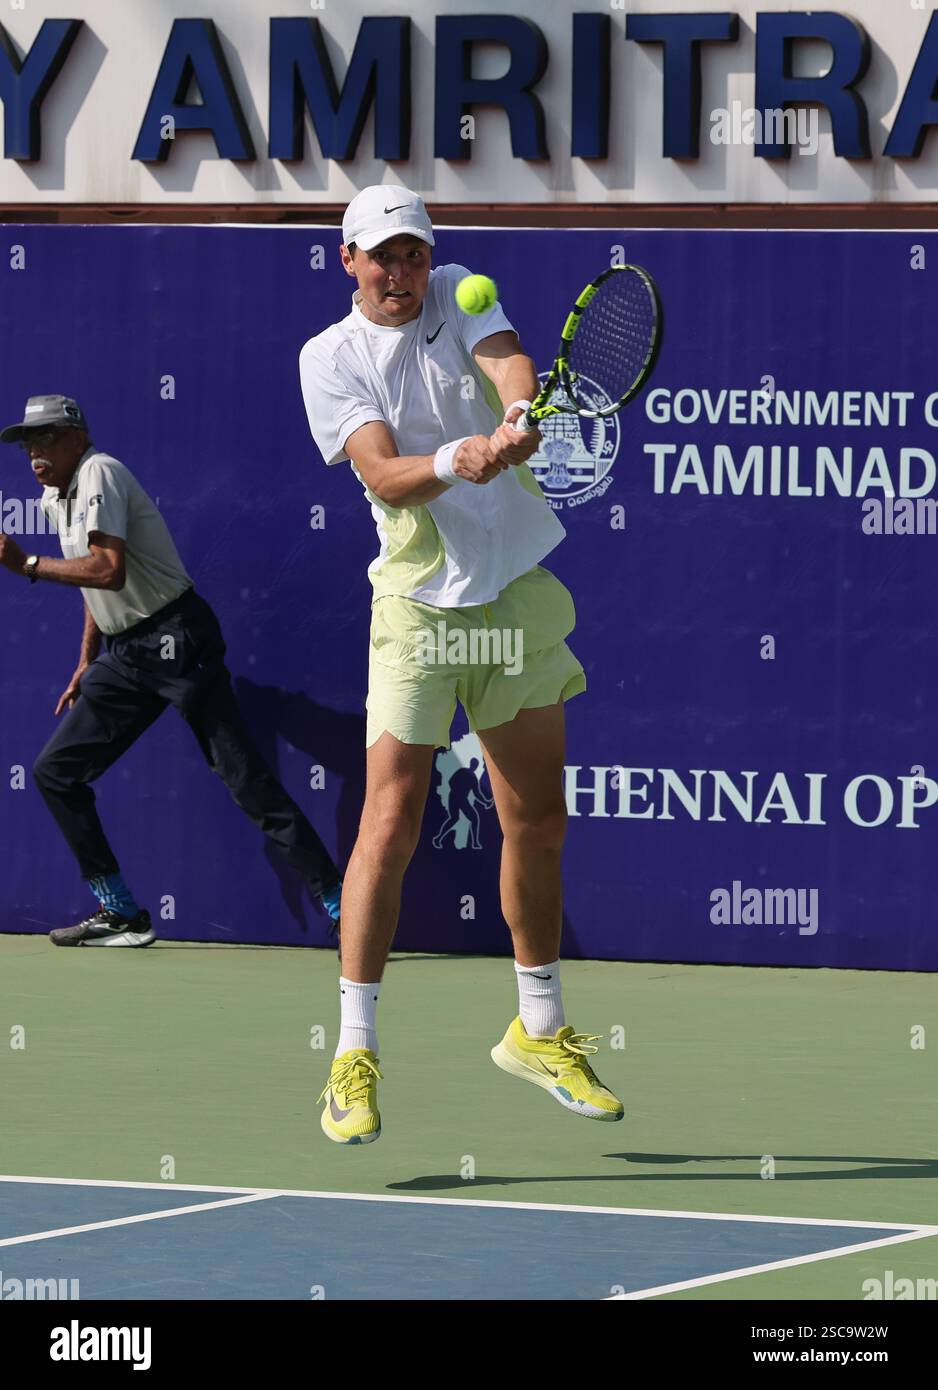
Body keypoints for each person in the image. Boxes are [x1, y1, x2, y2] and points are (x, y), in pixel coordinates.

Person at [299, 186, 623, 1144]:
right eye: (379, 256)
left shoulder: (461, 292)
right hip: (418, 612)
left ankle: (539, 1028)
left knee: (537, 818)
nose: (398, 273)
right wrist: (458, 460)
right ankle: (352, 1052)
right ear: (346, 259)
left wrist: (518, 412)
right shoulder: (329, 357)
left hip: (513, 599)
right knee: (391, 822)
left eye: (410, 255)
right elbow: (383, 474)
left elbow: (505, 356)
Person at [0, 395, 342, 946]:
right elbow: (95, 584)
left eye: (46, 438)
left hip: (178, 639)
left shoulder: (101, 472)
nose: (35, 452)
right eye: (27, 443)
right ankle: (123, 915)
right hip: (127, 653)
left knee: (245, 781)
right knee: (55, 772)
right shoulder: (51, 497)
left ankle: (342, 903)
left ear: (77, 437)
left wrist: (28, 566)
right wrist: (87, 659)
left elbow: (107, 571)